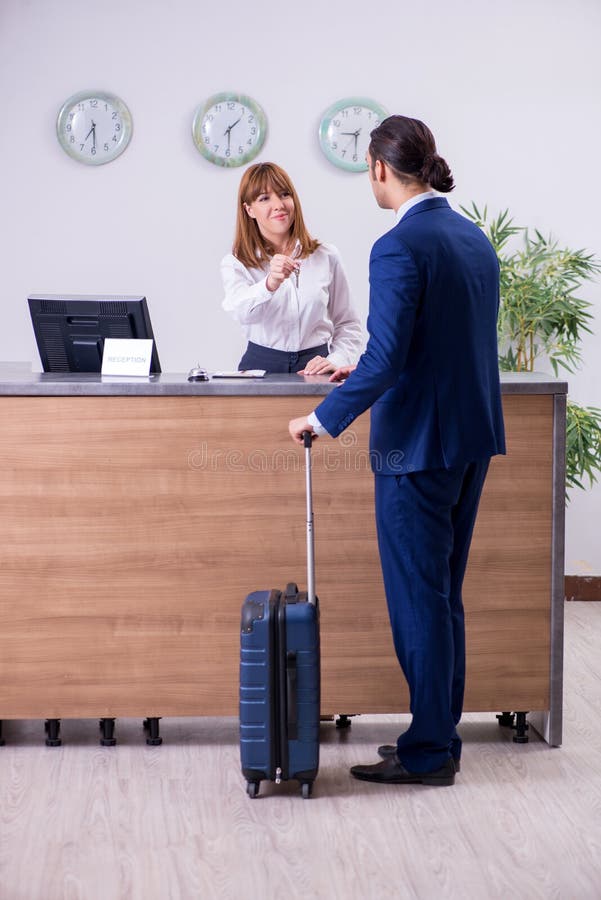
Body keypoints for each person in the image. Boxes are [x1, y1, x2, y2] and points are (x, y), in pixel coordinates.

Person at [289, 115, 506, 787]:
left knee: (419, 602)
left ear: (380, 170)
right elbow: (430, 347)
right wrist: (356, 373)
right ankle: (435, 739)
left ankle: (426, 755)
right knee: (441, 599)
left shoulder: (398, 245)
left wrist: (322, 420)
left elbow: (386, 357)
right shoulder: (470, 237)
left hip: (417, 447)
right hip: (467, 439)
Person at [221, 162, 362, 374]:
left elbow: (348, 324)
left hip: (317, 369)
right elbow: (240, 313)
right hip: (259, 369)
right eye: (264, 198)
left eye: (284, 194)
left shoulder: (326, 256)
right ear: (249, 209)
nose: (278, 205)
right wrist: (269, 284)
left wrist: (337, 359)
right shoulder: (236, 262)